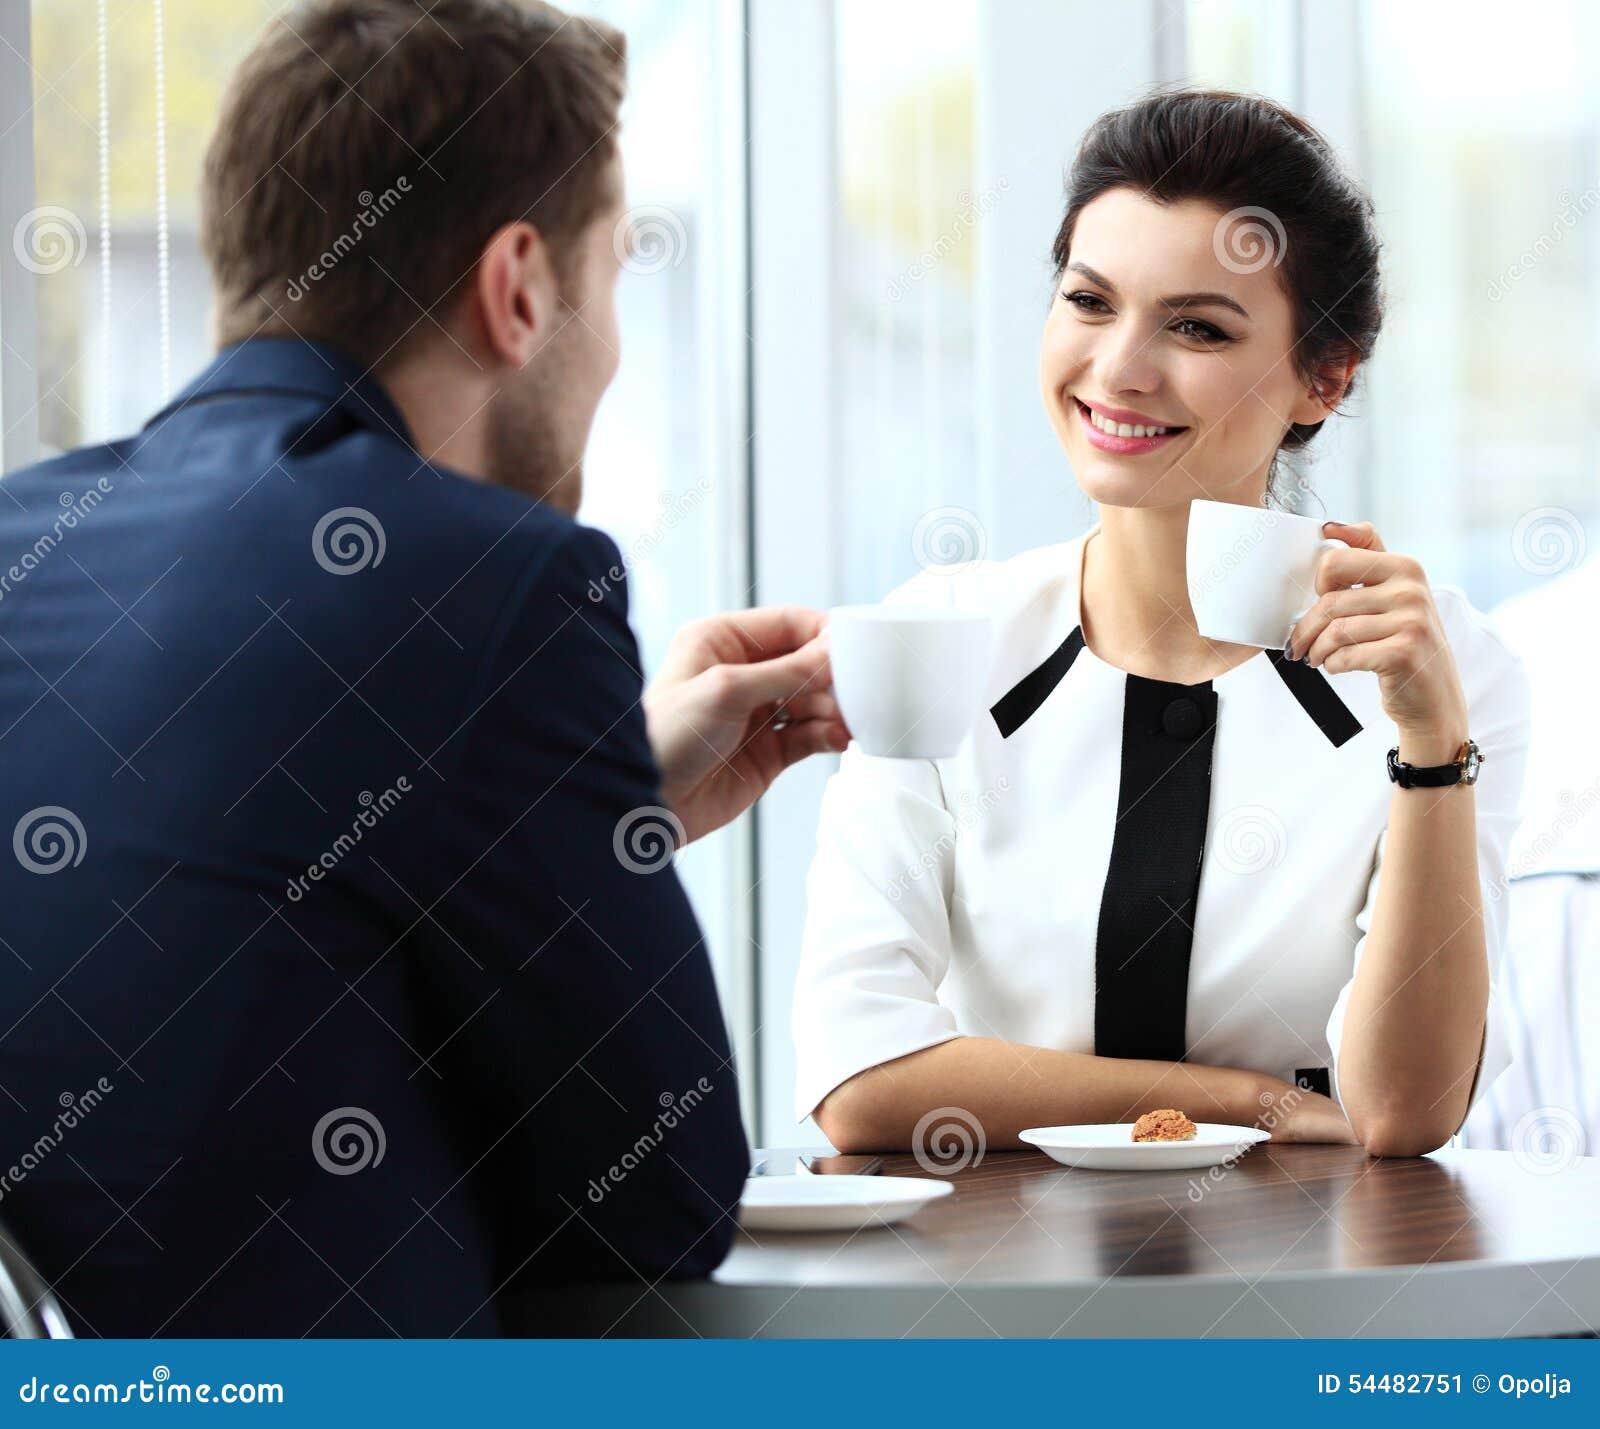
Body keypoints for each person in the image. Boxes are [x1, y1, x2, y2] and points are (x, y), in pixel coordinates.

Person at [0, 0, 844, 1337]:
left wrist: (610, 812)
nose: (615, 348)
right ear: (516, 290)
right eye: (613, 276)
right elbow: (657, 1207)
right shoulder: (492, 580)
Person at [793, 90, 1531, 1161]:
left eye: (1195, 326)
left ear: (1323, 380)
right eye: (1089, 302)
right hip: (997, 1303)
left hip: (1324, 1303)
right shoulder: (944, 635)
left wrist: (1428, 748)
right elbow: (859, 1079)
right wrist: (1252, 1101)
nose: (1120, 367)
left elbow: (1403, 1113)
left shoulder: (1441, 666)